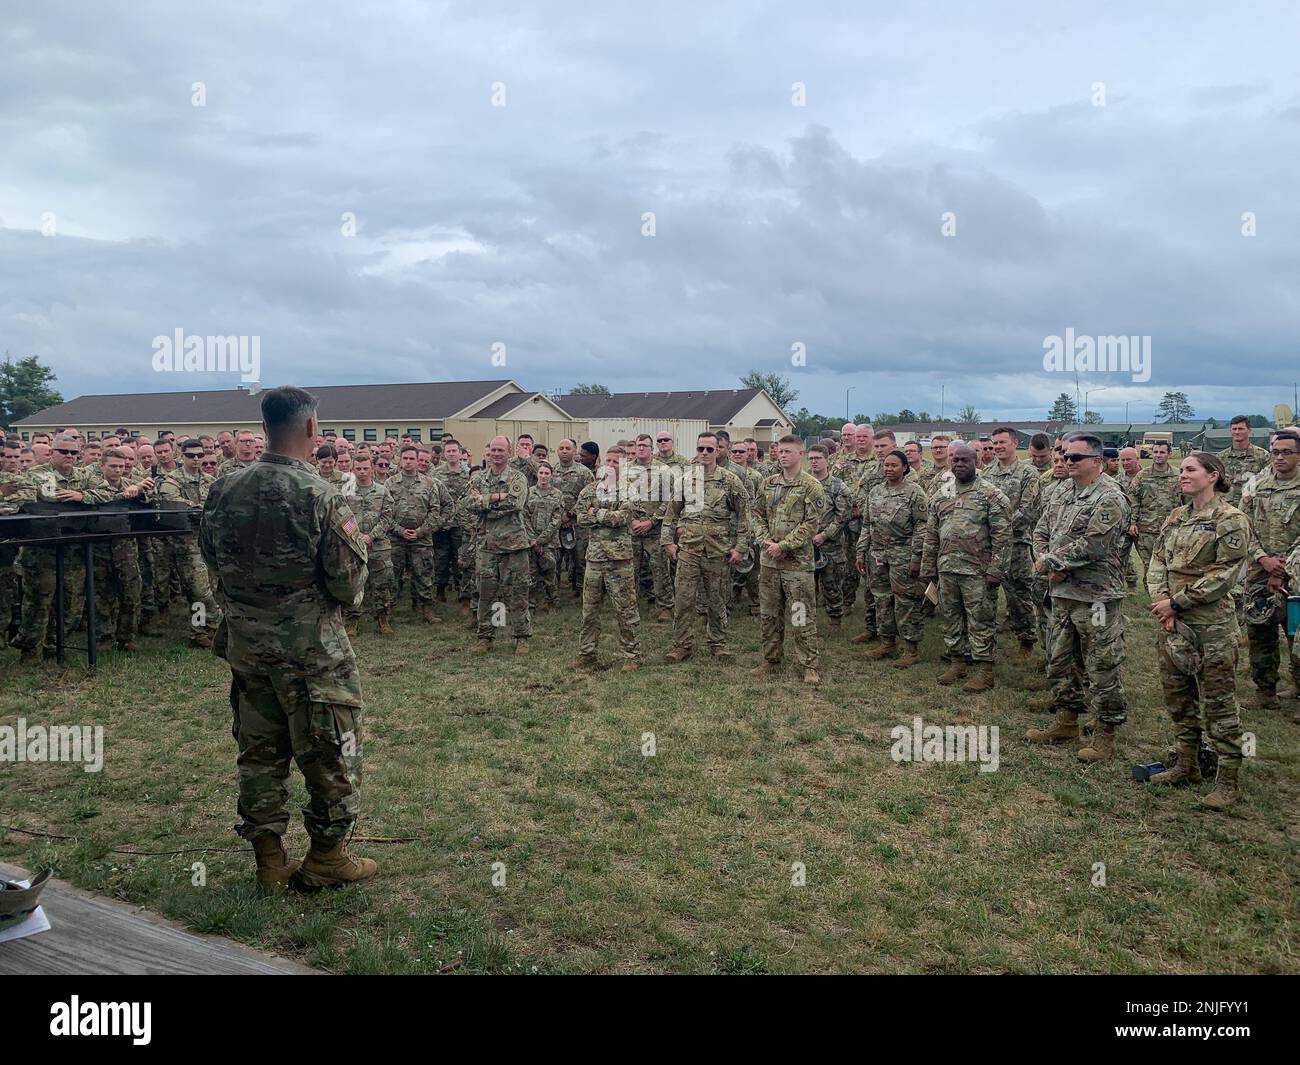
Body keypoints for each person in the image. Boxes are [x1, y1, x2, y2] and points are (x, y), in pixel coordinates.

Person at [200, 386, 375, 891]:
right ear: (312, 429)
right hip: (312, 656)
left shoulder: (223, 489)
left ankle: (269, 860)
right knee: (330, 755)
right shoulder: (321, 496)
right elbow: (348, 584)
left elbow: (213, 561)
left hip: (248, 649)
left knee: (259, 754)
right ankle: (326, 858)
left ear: (264, 428)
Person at [1146, 452, 1249, 809]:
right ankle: (1187, 764)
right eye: (1181, 470)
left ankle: (1228, 780)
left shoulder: (1231, 519)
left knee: (1218, 704)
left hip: (1210, 628)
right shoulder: (1177, 517)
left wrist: (1177, 603)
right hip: (1172, 624)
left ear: (1213, 475)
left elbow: (1226, 573)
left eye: (1190, 470)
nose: (1182, 475)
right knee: (1178, 698)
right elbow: (1157, 561)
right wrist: (1162, 602)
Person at [1028, 432, 1131, 761]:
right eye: (1065, 456)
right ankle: (1066, 721)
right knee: (1060, 660)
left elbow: (1095, 544)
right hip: (1061, 593)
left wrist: (1051, 563)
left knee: (1101, 666)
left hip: (1096, 597)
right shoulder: (1062, 490)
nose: (1067, 462)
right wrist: (1044, 560)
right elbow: (1041, 528)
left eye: (1075, 458)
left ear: (1097, 461)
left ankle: (1104, 733)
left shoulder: (1110, 496)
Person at [2, 434, 114, 663]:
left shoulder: (84, 475)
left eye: (74, 453)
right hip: (42, 549)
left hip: (74, 548)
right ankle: (30, 651)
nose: (70, 457)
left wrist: (82, 495)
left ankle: (54, 645)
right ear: (52, 452)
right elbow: (49, 497)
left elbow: (108, 492)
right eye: (65, 452)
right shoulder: (38, 473)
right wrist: (79, 500)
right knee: (39, 602)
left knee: (73, 602)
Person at [920, 443, 1011, 692]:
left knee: (980, 620)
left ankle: (985, 670)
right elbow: (931, 535)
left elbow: (1003, 536)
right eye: (956, 460)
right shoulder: (942, 495)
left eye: (965, 460)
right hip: (947, 569)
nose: (959, 464)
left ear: (976, 462)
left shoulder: (991, 495)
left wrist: (996, 570)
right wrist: (928, 567)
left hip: (977, 572)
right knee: (951, 617)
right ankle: (957, 662)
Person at [662, 432, 749, 662]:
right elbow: (671, 515)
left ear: (719, 451)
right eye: (701, 449)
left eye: (710, 449)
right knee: (683, 599)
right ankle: (682, 644)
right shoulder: (685, 480)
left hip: (717, 550)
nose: (705, 453)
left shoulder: (730, 481)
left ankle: (718, 643)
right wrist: (668, 542)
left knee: (716, 599)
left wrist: (740, 547)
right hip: (689, 549)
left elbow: (743, 517)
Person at [751, 435, 825, 684]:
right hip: (769, 562)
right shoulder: (768, 483)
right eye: (780, 451)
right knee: (769, 614)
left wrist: (784, 546)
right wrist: (767, 543)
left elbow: (811, 524)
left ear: (800, 454)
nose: (783, 455)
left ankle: (809, 665)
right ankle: (771, 660)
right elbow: (756, 515)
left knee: (800, 614)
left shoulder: (811, 485)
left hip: (797, 565)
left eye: (788, 451)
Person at [1243, 429, 1300, 711]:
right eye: (1275, 452)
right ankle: (1265, 692)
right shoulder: (1258, 485)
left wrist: (1282, 567)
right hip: (1259, 574)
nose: (1279, 457)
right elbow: (1244, 526)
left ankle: (1298, 689)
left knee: (1295, 633)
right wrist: (1262, 557)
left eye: (1286, 452)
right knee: (1260, 632)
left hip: (1295, 580)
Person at [858, 448, 928, 668]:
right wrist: (861, 551)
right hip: (877, 554)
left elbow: (922, 527)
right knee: (882, 598)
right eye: (886, 465)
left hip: (903, 554)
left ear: (905, 468)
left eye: (894, 465)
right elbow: (867, 525)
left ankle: (910, 648)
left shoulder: (914, 492)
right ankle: (887, 642)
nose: (888, 469)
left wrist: (916, 558)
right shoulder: (876, 492)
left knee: (906, 601)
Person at [574, 446, 641, 669]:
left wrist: (597, 513)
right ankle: (586, 654)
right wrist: (600, 516)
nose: (611, 466)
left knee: (626, 610)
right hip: (595, 558)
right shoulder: (590, 490)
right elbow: (581, 518)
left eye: (616, 462)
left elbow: (622, 518)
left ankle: (631, 656)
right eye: (608, 461)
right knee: (590, 610)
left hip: (619, 559)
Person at [467, 435, 533, 655]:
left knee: (518, 592)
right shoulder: (478, 479)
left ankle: (521, 636)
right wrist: (497, 497)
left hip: (514, 545)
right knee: (487, 592)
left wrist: (484, 501)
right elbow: (466, 503)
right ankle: (486, 636)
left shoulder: (518, 477)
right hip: (487, 546)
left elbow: (515, 504)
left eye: (501, 450)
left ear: (510, 452)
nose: (496, 454)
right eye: (493, 450)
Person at [157, 438, 222, 647]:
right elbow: (177, 506)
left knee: (204, 591)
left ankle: (198, 632)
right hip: (186, 545)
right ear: (181, 456)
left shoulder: (210, 480)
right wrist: (203, 509)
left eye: (200, 455)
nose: (196, 459)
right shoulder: (171, 480)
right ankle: (217, 626)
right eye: (191, 455)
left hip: (209, 542)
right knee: (200, 591)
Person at [983, 427, 1042, 657]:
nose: (998, 447)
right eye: (994, 442)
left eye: (1002, 442)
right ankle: (985, 642)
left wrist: (999, 529)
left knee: (1018, 594)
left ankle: (1026, 640)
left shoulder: (1028, 473)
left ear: (1015, 443)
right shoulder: (986, 473)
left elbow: (1028, 509)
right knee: (985, 594)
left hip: (1016, 544)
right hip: (989, 546)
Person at [387, 444, 445, 623]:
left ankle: (426, 610)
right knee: (392, 576)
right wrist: (400, 530)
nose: (408, 462)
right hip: (396, 538)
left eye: (412, 458)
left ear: (418, 460)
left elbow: (435, 511)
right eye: (405, 458)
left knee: (424, 574)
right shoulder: (390, 483)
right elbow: (385, 511)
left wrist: (420, 531)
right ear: (400, 460)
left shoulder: (429, 483)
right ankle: (386, 613)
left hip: (422, 538)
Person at [348, 453, 395, 635]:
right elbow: (342, 517)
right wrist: (357, 536)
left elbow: (387, 517)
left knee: (382, 584)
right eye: (358, 468)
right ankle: (352, 621)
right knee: (354, 585)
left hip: (379, 546)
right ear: (353, 470)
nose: (362, 472)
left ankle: (383, 620)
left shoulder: (382, 491)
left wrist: (371, 536)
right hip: (352, 545)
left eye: (365, 468)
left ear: (372, 468)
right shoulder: (346, 491)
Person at [808, 444, 849, 632]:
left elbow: (842, 517)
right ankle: (803, 622)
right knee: (803, 588)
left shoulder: (837, 486)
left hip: (829, 545)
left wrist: (824, 535)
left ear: (827, 460)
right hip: (804, 544)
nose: (814, 462)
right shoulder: (803, 483)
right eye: (811, 458)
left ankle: (835, 621)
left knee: (831, 585)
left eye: (818, 458)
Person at [1126, 440, 1180, 583]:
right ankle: (1153, 599)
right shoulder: (1142, 476)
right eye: (1155, 452)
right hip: (1146, 530)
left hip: (1171, 529)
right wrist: (1132, 522)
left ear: (1169, 454)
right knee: (1149, 566)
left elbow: (1187, 502)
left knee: (1170, 565)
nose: (1158, 455)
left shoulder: (1178, 476)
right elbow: (1133, 500)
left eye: (1162, 452)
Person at [524, 460, 563, 611]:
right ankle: (532, 603)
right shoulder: (529, 492)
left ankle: (553, 601)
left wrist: (540, 541)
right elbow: (524, 516)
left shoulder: (557, 494)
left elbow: (556, 520)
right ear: (537, 474)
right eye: (541, 473)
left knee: (550, 571)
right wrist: (533, 540)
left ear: (551, 476)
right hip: (530, 541)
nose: (543, 476)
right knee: (532, 572)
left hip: (549, 542)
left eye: (547, 473)